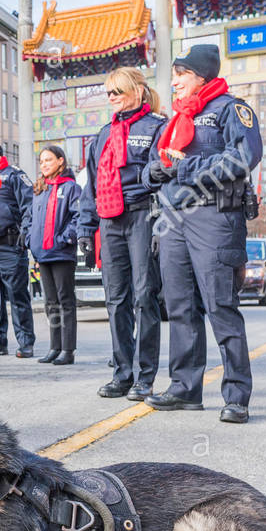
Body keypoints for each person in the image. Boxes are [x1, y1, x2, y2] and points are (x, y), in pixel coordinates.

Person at [143, 43, 261, 424]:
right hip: (175, 219)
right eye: (174, 74)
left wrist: (188, 167)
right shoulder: (173, 120)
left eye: (182, 74)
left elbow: (244, 156)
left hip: (215, 216)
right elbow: (149, 170)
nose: (174, 82)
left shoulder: (230, 109)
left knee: (221, 307)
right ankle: (185, 387)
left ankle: (237, 395)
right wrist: (160, 171)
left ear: (202, 76)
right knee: (179, 308)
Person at [83, 67, 168, 400]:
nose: (112, 97)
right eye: (108, 93)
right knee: (116, 299)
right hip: (109, 220)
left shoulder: (156, 128)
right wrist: (85, 229)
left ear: (138, 91)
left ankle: (145, 377)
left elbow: (163, 176)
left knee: (145, 296)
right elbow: (90, 186)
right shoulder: (103, 135)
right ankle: (122, 373)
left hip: (143, 215)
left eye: (117, 91)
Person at [28, 145, 89, 365]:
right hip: (43, 254)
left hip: (61, 253)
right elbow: (30, 218)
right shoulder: (40, 188)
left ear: (60, 161)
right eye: (41, 161)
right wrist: (30, 240)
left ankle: (68, 349)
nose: (44, 164)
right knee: (50, 302)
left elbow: (78, 217)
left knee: (65, 301)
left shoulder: (71, 188)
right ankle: (54, 347)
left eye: (48, 160)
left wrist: (64, 238)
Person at [0, 139, 35, 358]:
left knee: (18, 296)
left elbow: (30, 205)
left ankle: (25, 343)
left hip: (10, 245)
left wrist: (25, 233)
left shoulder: (13, 176)